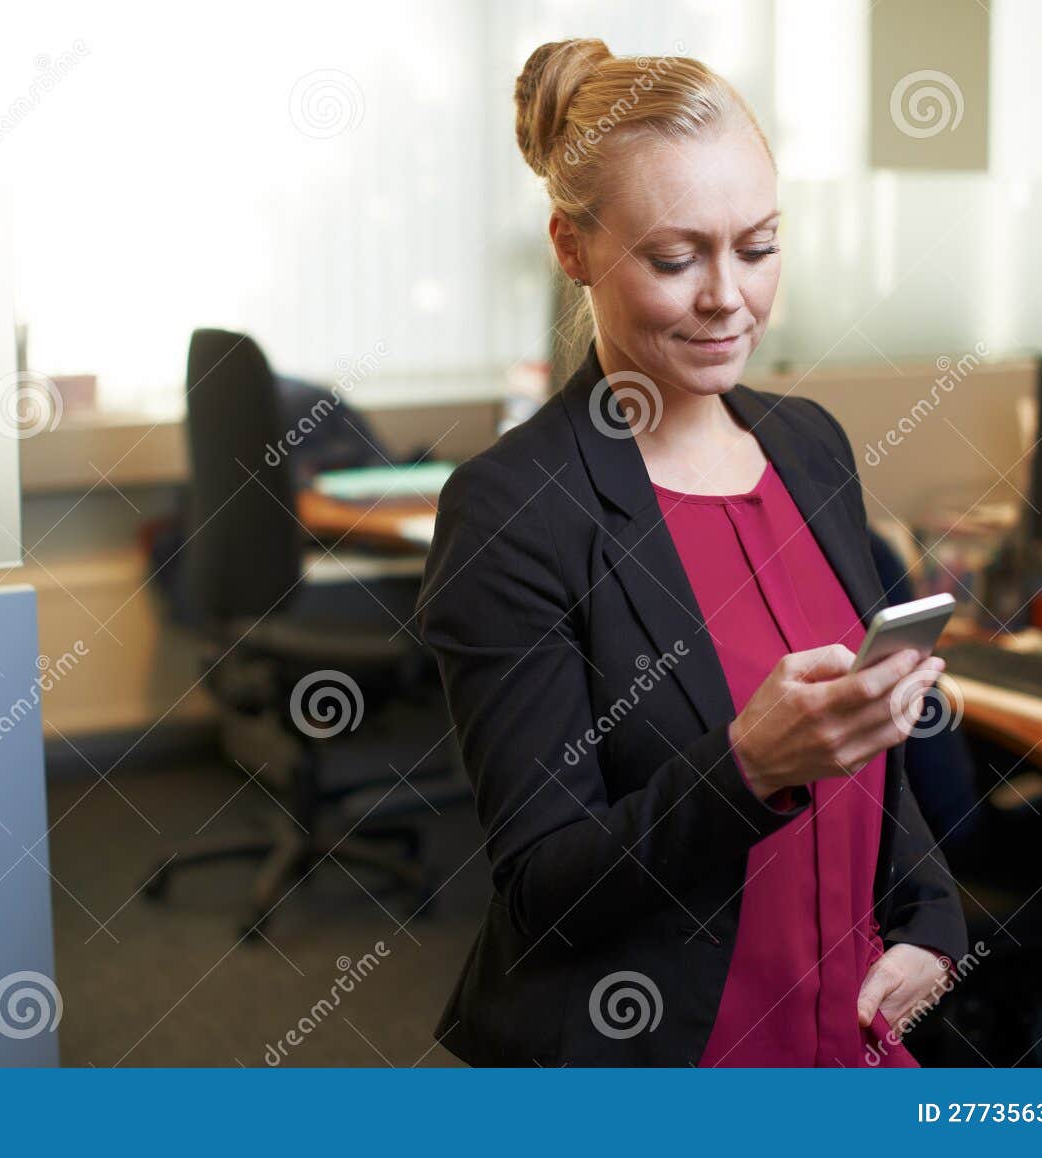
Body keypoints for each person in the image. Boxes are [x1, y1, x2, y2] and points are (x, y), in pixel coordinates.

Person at [414, 39, 966, 1067]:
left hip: (842, 1035)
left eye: (756, 248)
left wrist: (930, 916)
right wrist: (748, 765)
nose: (728, 297)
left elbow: (869, 760)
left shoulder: (806, 447)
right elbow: (543, 888)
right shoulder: (513, 511)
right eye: (676, 259)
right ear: (572, 250)